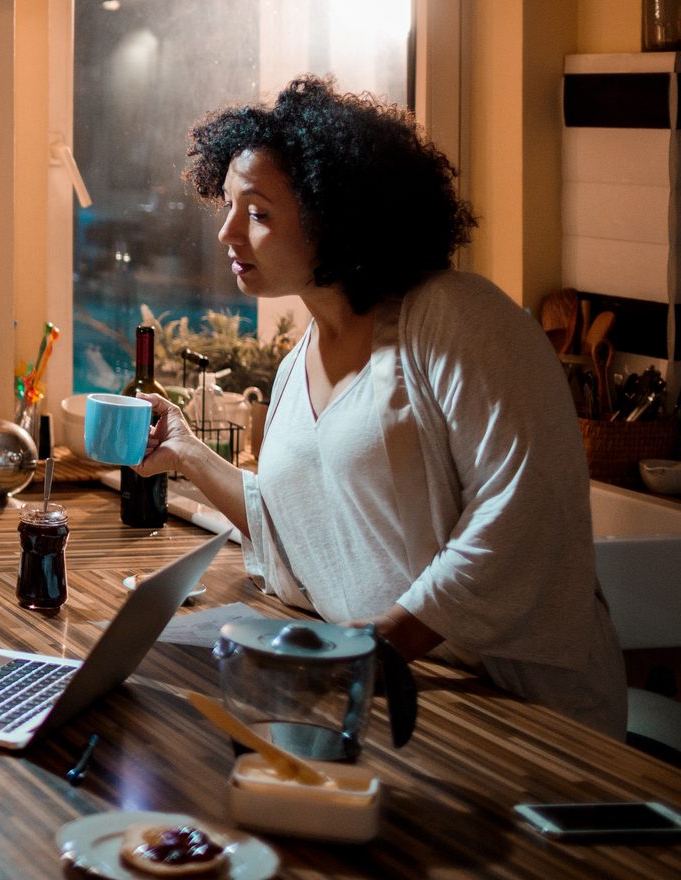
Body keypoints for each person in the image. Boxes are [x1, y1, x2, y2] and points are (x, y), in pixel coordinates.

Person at [138, 76, 626, 737]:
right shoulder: (296, 365)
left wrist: (378, 647)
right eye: (227, 205)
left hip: (520, 713)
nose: (227, 231)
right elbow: (298, 530)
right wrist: (188, 453)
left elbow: (522, 512)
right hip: (386, 700)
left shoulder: (455, 318)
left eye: (258, 213)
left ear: (335, 215)